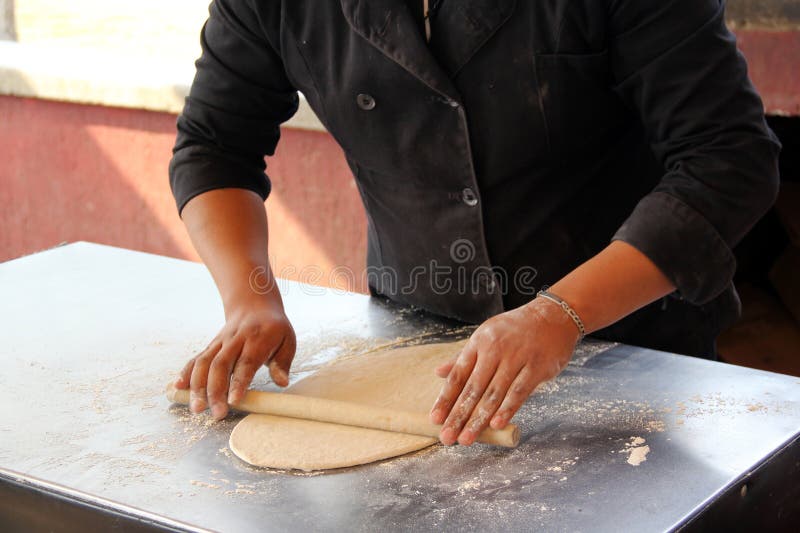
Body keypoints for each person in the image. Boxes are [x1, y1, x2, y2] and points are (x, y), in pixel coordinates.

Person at [169, 0, 780, 446]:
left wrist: (558, 314)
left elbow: (729, 159)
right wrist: (250, 298)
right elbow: (214, 144)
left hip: (630, 345)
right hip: (414, 343)